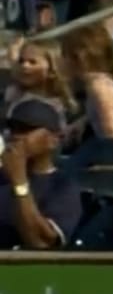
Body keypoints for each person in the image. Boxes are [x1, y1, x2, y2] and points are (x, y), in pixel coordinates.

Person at [0, 99, 82, 249]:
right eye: (13, 129)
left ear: (53, 140)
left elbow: (41, 244)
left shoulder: (62, 186)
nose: (16, 136)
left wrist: (19, 181)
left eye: (26, 129)